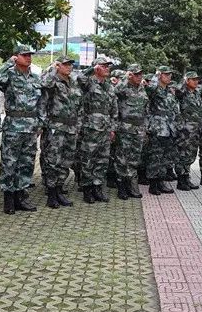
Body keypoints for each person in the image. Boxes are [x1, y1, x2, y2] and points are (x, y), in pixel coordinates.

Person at [0, 44, 44, 214]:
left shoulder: (35, 78)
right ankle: (8, 199)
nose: (28, 57)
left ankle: (21, 196)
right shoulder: (9, 75)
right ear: (16, 57)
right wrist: (9, 63)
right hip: (14, 125)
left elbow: (41, 103)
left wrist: (40, 123)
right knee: (9, 162)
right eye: (24, 55)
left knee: (27, 162)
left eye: (30, 55)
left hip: (30, 127)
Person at [40, 55, 82, 208]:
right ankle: (51, 194)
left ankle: (59, 189)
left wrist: (78, 125)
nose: (69, 67)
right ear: (58, 66)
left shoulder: (73, 83)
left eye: (70, 64)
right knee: (53, 161)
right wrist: (52, 69)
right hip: (55, 127)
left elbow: (80, 105)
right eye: (65, 64)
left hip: (71, 128)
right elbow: (44, 86)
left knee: (66, 161)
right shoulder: (52, 81)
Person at [76, 56, 118, 204]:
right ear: (97, 68)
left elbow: (114, 110)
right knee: (88, 159)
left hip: (105, 129)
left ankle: (98, 187)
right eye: (104, 66)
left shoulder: (109, 86)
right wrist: (91, 69)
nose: (107, 68)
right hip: (91, 128)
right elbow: (79, 77)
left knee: (102, 160)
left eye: (108, 66)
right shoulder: (88, 83)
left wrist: (113, 128)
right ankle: (87, 189)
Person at [113, 63, 148, 199]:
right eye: (136, 74)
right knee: (122, 158)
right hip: (125, 129)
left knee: (134, 158)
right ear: (130, 75)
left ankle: (131, 184)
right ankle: (121, 186)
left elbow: (145, 109)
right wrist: (125, 79)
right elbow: (114, 92)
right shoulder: (123, 87)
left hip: (139, 129)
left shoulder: (142, 89)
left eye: (141, 74)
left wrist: (145, 128)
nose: (139, 77)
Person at [145, 66, 180, 196]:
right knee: (155, 156)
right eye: (165, 74)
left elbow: (173, 110)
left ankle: (161, 181)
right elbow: (149, 89)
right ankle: (153, 184)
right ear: (160, 75)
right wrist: (155, 76)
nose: (169, 76)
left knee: (165, 158)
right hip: (157, 129)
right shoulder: (154, 89)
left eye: (170, 74)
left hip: (169, 129)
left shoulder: (169, 92)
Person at [174, 71, 202, 191]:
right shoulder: (182, 92)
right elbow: (177, 90)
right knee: (182, 154)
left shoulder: (196, 93)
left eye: (197, 79)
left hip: (195, 130)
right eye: (193, 79)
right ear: (187, 81)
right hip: (184, 130)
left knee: (191, 154)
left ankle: (186, 177)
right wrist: (183, 81)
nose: (196, 81)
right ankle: (181, 180)